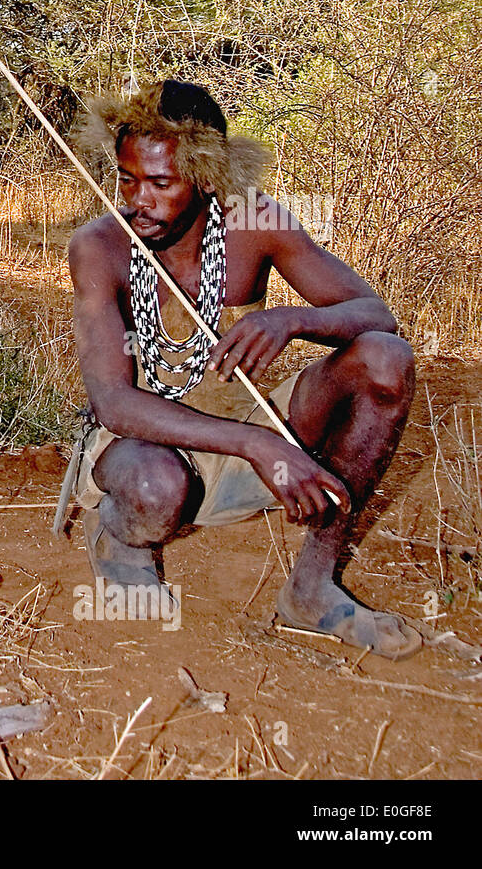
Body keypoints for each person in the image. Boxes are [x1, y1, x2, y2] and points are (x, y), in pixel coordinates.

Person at [65, 80, 420, 659]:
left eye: (160, 183)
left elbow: (376, 314)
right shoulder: (99, 245)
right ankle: (123, 543)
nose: (136, 200)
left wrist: (291, 320)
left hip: (248, 420)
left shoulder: (254, 223)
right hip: (144, 446)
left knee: (386, 358)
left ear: (207, 178)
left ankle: (312, 586)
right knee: (156, 486)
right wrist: (260, 444)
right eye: (126, 177)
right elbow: (113, 402)